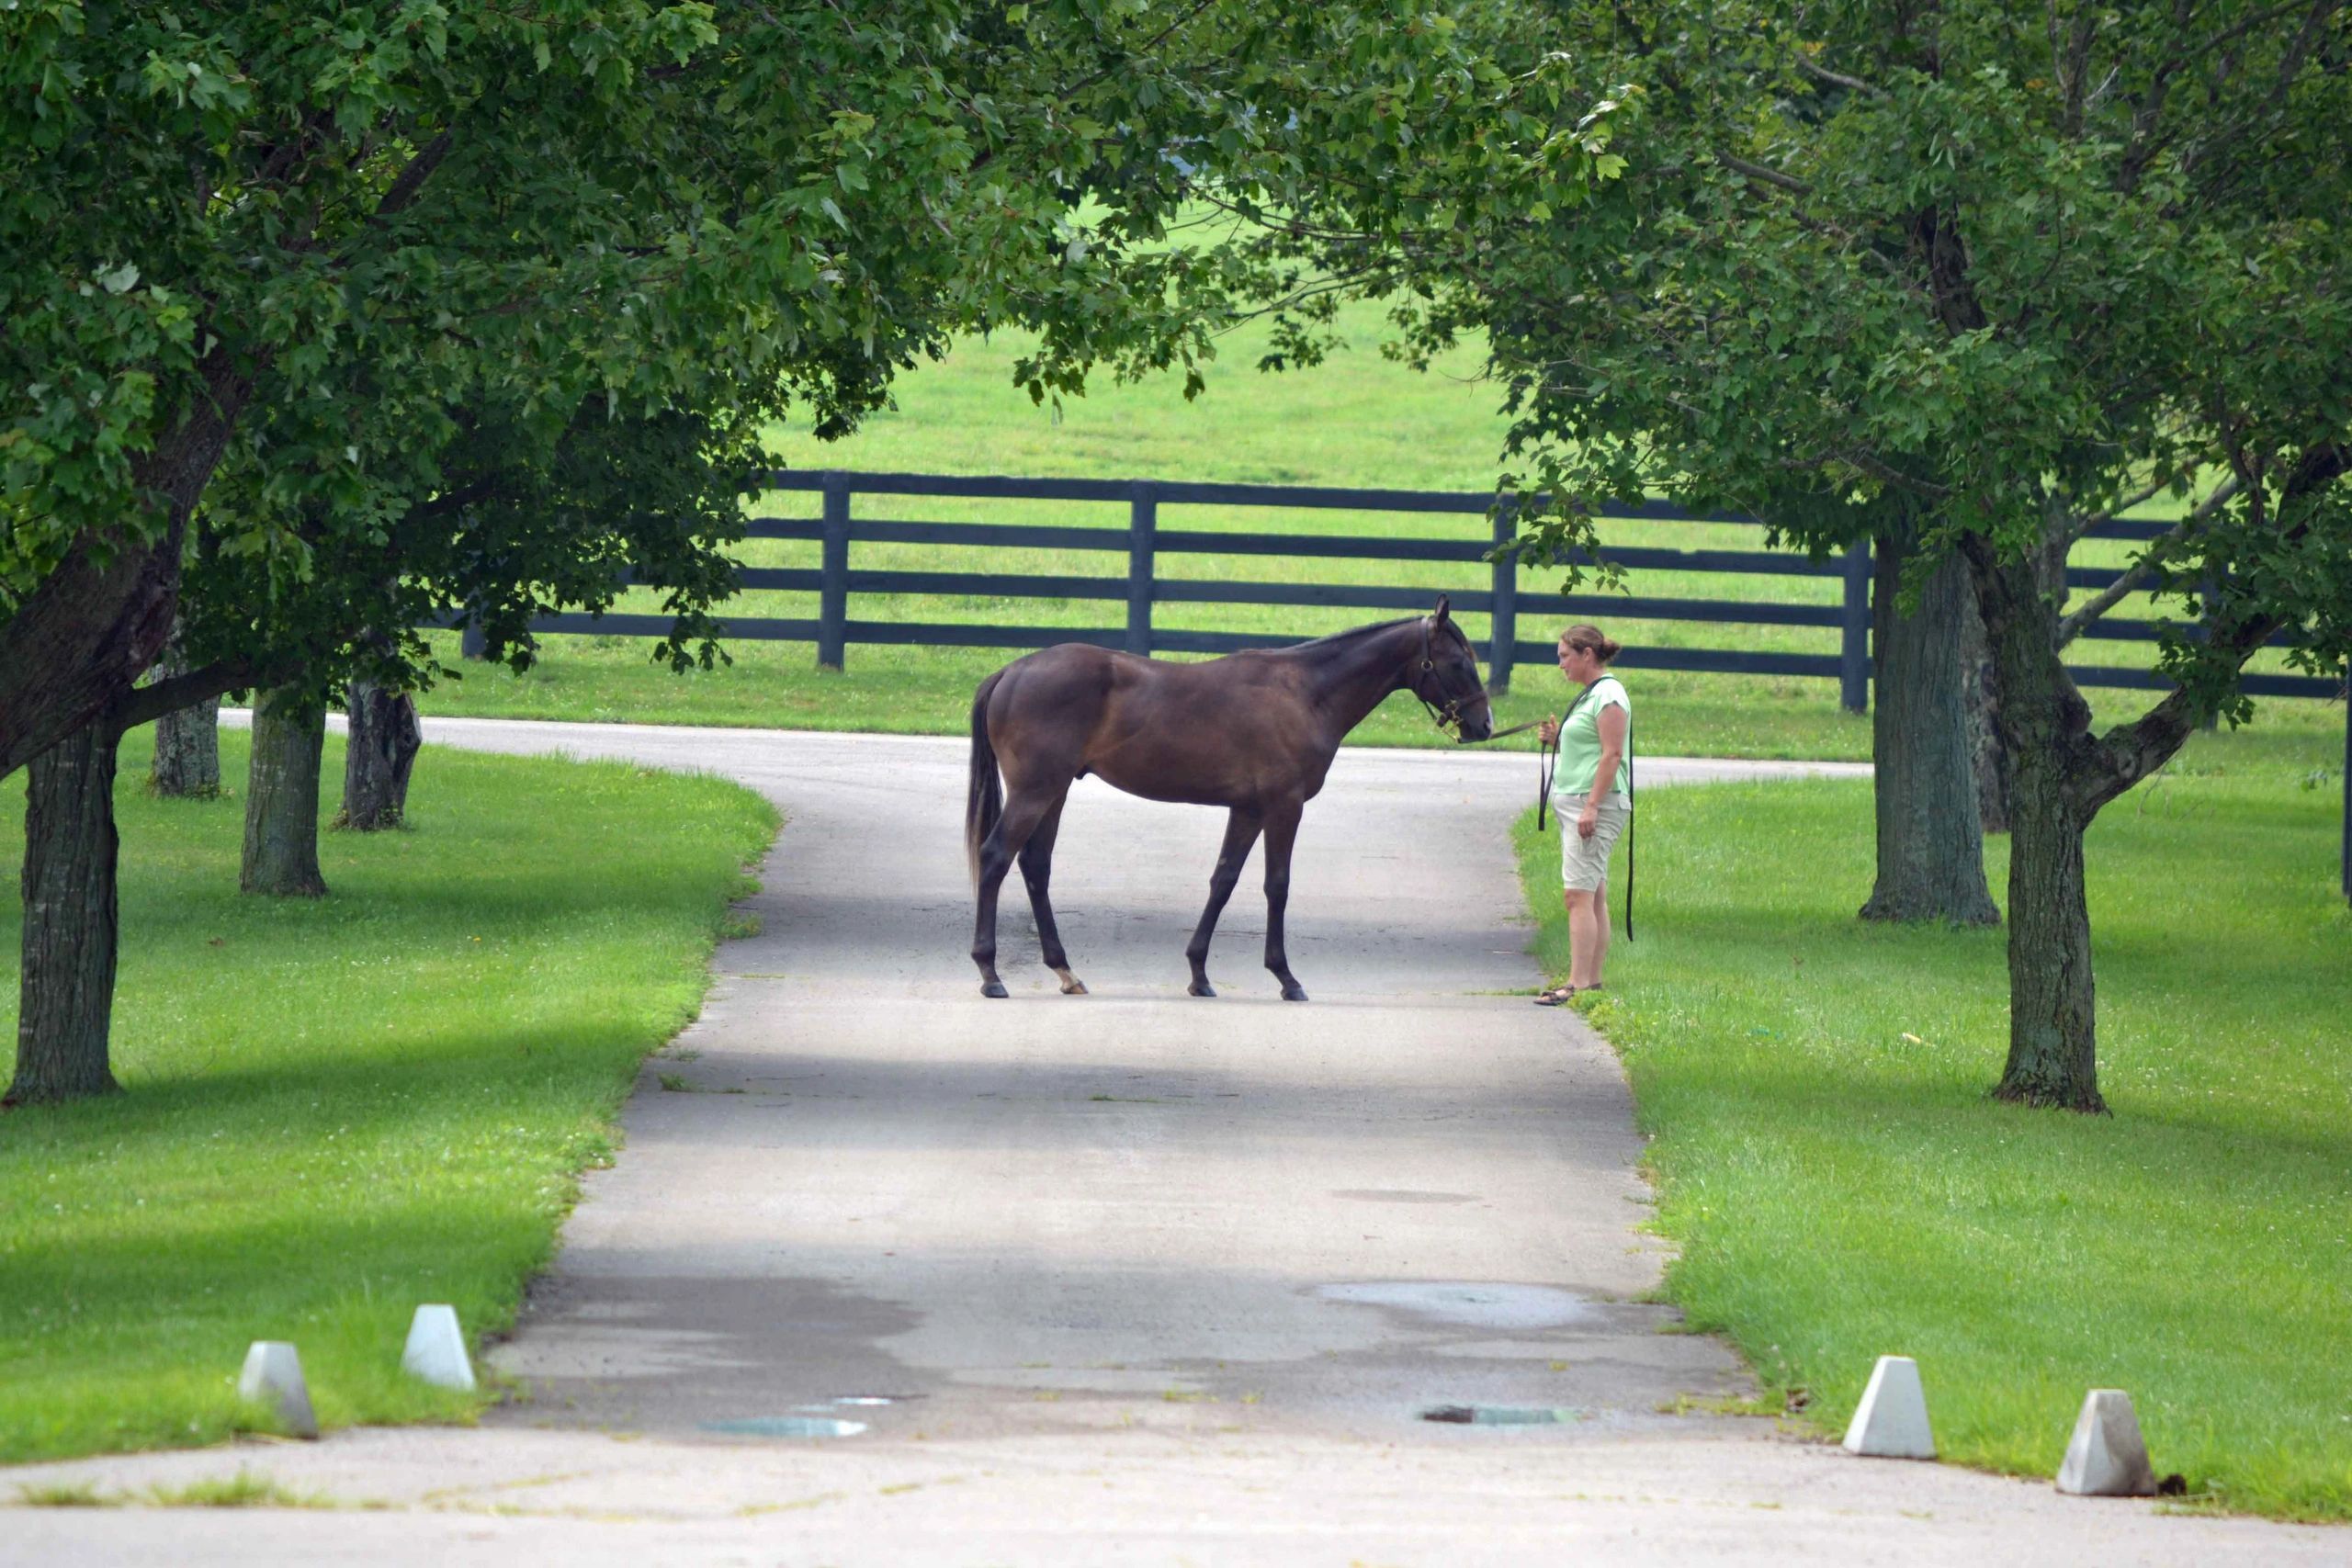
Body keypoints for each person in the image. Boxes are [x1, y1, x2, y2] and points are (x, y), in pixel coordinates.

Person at [1532, 625, 1630, 1004]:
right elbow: (1592, 748)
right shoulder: (1593, 694)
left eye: (1565, 656)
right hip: (1579, 805)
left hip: (1594, 808)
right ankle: (1590, 981)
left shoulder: (1609, 696)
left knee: (1577, 896)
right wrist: (1558, 739)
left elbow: (1612, 755)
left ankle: (1577, 984)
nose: (1561, 664)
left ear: (1587, 654)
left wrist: (1590, 806)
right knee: (1593, 895)